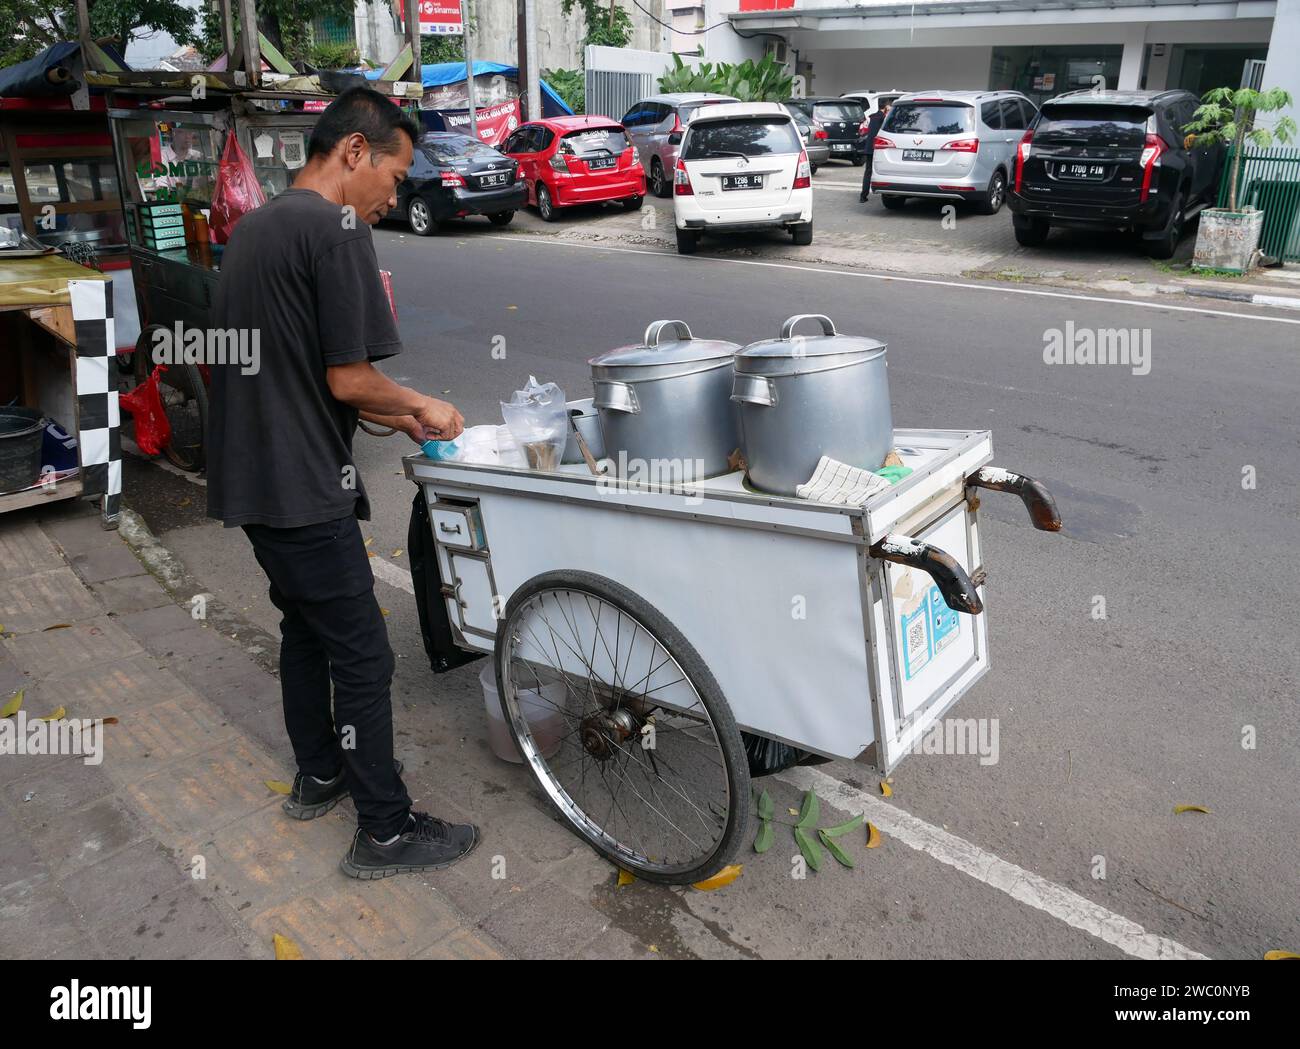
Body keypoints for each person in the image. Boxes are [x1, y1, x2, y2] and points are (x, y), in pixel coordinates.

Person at [206, 87, 479, 879]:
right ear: (354, 152)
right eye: (393, 175)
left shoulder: (256, 227)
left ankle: (319, 773)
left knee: (304, 629)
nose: (394, 197)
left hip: (252, 483)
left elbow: (301, 371)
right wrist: (420, 402)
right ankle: (386, 830)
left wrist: (396, 420)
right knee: (363, 657)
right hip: (301, 487)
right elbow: (350, 378)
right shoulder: (338, 227)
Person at [859, 104, 890, 203]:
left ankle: (863, 196)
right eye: (888, 108)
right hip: (879, 148)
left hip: (869, 147)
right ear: (885, 108)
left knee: (868, 171)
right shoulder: (884, 118)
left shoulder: (872, 117)